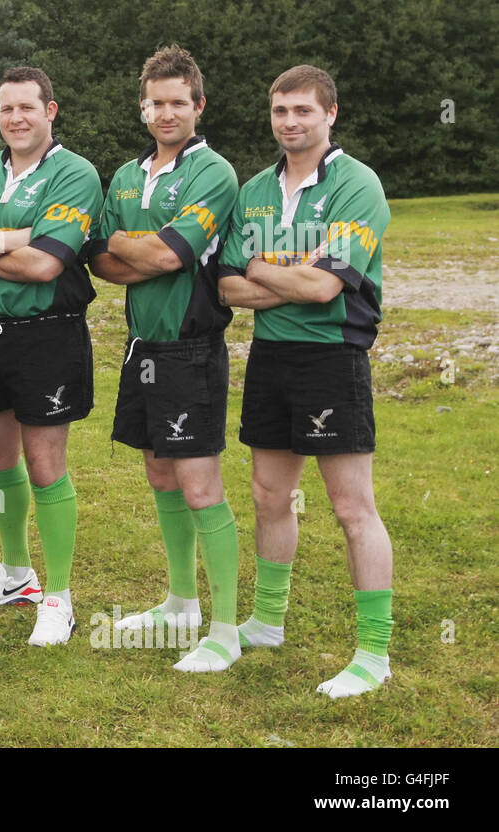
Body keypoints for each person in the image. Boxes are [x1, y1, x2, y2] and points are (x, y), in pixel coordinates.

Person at [218, 65, 393, 697]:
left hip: (332, 358)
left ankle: (373, 653)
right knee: (269, 496)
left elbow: (325, 289)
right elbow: (227, 285)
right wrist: (283, 271)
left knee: (352, 507)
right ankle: (267, 622)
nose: (290, 122)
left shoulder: (357, 184)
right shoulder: (256, 188)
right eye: (280, 111)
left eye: (303, 112)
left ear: (330, 115)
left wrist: (264, 269)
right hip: (271, 358)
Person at [88, 46, 243, 672]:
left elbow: (170, 257)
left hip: (190, 346)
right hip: (140, 346)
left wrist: (135, 248)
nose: (167, 112)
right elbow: (98, 259)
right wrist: (133, 248)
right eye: (157, 102)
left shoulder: (215, 173)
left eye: (179, 102)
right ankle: (181, 602)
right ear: (143, 107)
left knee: (200, 485)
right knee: (159, 474)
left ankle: (227, 629)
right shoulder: (126, 175)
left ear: (198, 105)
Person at [0, 67, 102, 647]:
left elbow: (45, 265)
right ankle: (15, 575)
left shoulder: (75, 173)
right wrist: (13, 236)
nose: (15, 118)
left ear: (50, 110)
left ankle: (58, 596)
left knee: (44, 461)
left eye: (27, 108)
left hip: (50, 330)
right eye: (6, 109)